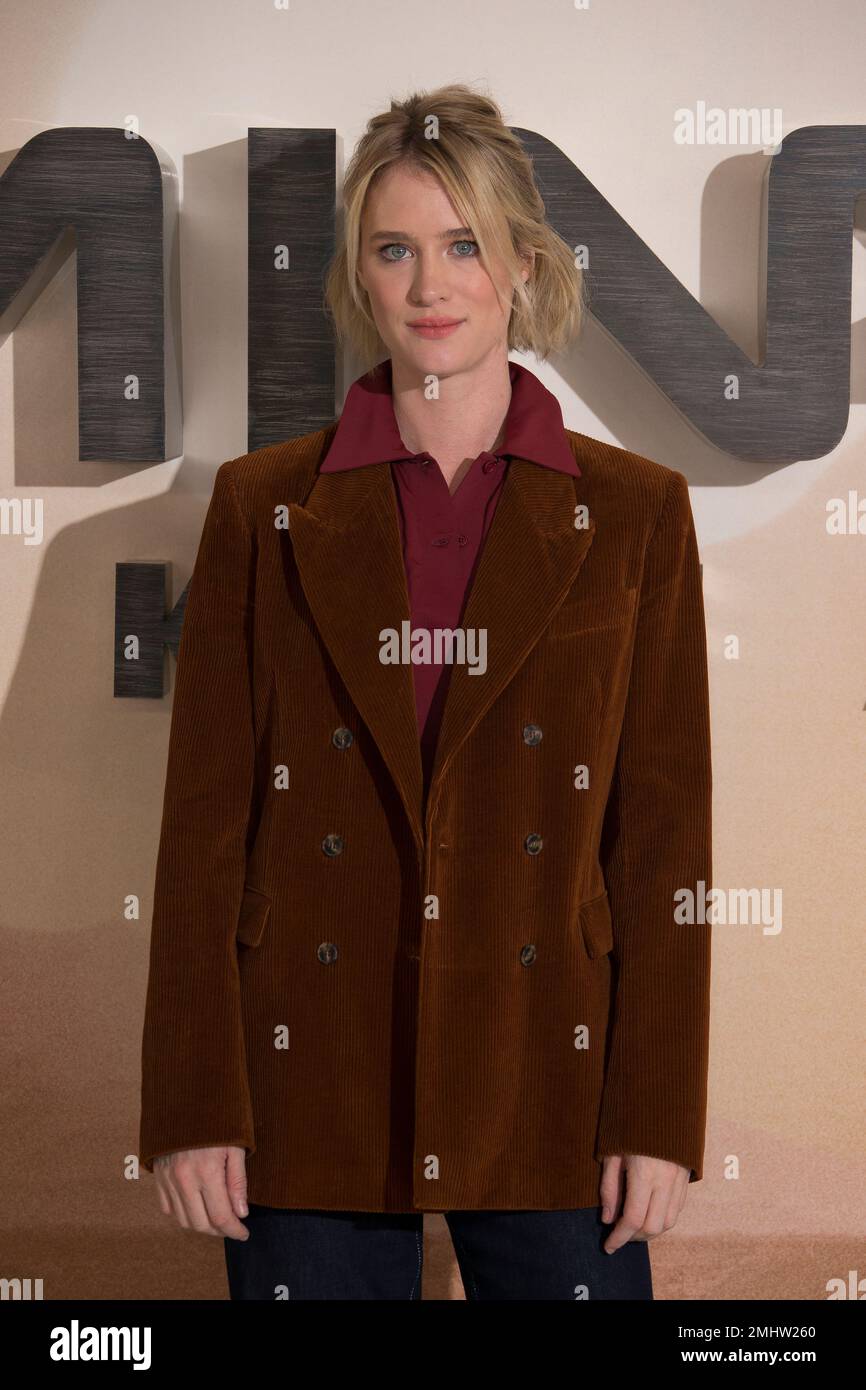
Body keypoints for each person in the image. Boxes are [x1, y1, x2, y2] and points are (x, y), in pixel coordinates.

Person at [138, 82, 712, 1301]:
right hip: (310, 1081)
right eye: (394, 249)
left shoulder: (635, 512)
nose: (429, 284)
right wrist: (193, 1100)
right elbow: (202, 831)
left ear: (519, 262)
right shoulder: (262, 504)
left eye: (462, 245)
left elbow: (662, 839)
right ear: (358, 272)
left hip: (551, 1073)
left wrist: (656, 1112)